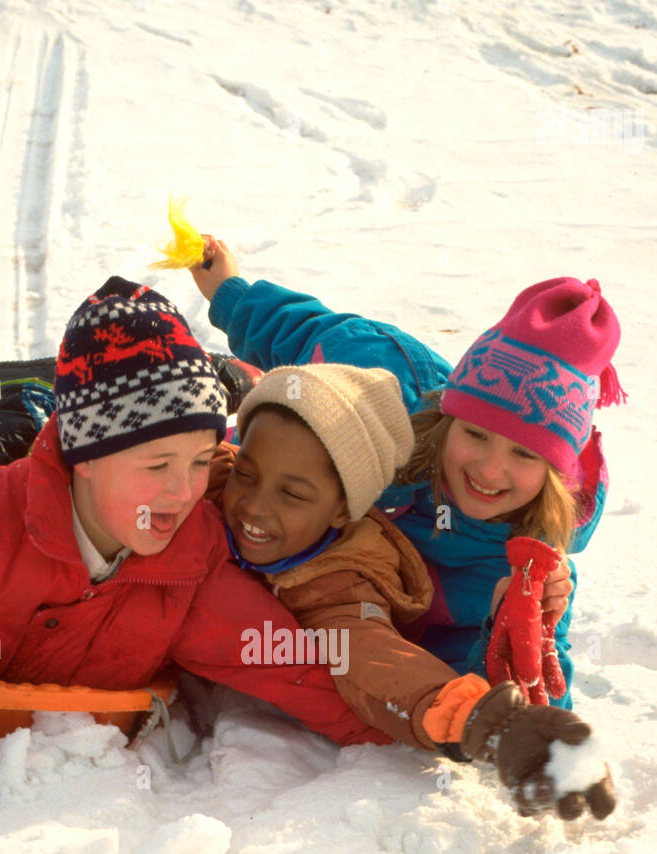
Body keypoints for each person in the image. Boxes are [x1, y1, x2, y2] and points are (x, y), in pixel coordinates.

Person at [0, 277, 399, 837]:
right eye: (157, 465)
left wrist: (430, 722)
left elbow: (303, 672)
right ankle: (23, 394)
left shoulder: (191, 572)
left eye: (201, 460)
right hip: (16, 444)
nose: (184, 491)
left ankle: (205, 383)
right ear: (85, 456)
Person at [190, 239, 625, 710]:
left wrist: (503, 622)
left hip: (341, 603)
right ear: (447, 416)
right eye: (475, 434)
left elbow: (520, 700)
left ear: (555, 473)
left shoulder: (525, 569)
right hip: (253, 477)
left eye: (524, 454)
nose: (490, 468)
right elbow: (309, 334)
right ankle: (250, 387)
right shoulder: (388, 394)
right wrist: (230, 293)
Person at [204, 360, 615, 821]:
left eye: (294, 495)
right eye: (247, 474)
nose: (255, 505)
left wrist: (493, 723)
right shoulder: (208, 477)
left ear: (343, 510)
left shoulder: (339, 580)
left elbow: (374, 657)